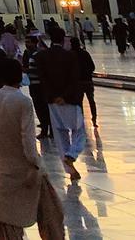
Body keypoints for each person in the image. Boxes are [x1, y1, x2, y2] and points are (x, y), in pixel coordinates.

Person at [0, 59, 66, 240]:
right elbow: (28, 141)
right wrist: (38, 165)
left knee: (7, 224)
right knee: (51, 214)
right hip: (24, 169)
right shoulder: (23, 101)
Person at [36, 36, 86, 180]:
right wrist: (64, 96)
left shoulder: (42, 56)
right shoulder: (70, 56)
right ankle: (72, 154)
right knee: (79, 130)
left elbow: (43, 78)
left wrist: (53, 96)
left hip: (53, 101)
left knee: (60, 135)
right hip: (69, 100)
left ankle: (70, 170)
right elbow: (74, 77)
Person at [21, 36, 51, 139]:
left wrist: (27, 70)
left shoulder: (39, 54)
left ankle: (48, 129)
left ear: (35, 43)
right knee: (39, 107)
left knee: (44, 107)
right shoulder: (28, 54)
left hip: (40, 85)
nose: (27, 44)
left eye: (29, 42)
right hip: (33, 84)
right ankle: (45, 128)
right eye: (26, 42)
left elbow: (41, 70)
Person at [72, 38, 98, 132]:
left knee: (79, 102)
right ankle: (94, 118)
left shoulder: (71, 55)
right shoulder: (85, 53)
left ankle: (81, 120)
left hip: (77, 82)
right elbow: (92, 66)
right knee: (91, 100)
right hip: (87, 81)